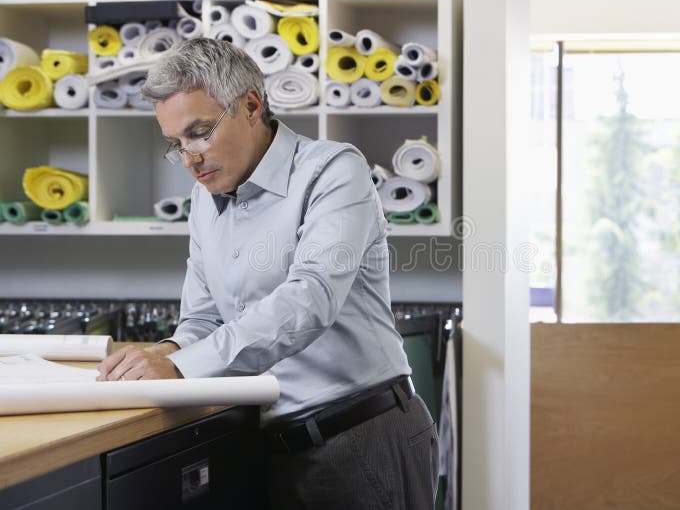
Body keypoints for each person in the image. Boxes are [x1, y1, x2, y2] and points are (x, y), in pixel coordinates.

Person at [96, 38, 438, 508]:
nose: (190, 158)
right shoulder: (205, 197)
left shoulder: (334, 171)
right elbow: (203, 319)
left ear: (251, 105)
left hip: (358, 440)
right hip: (263, 449)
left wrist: (179, 366)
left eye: (199, 133)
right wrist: (159, 354)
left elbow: (309, 298)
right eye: (176, 145)